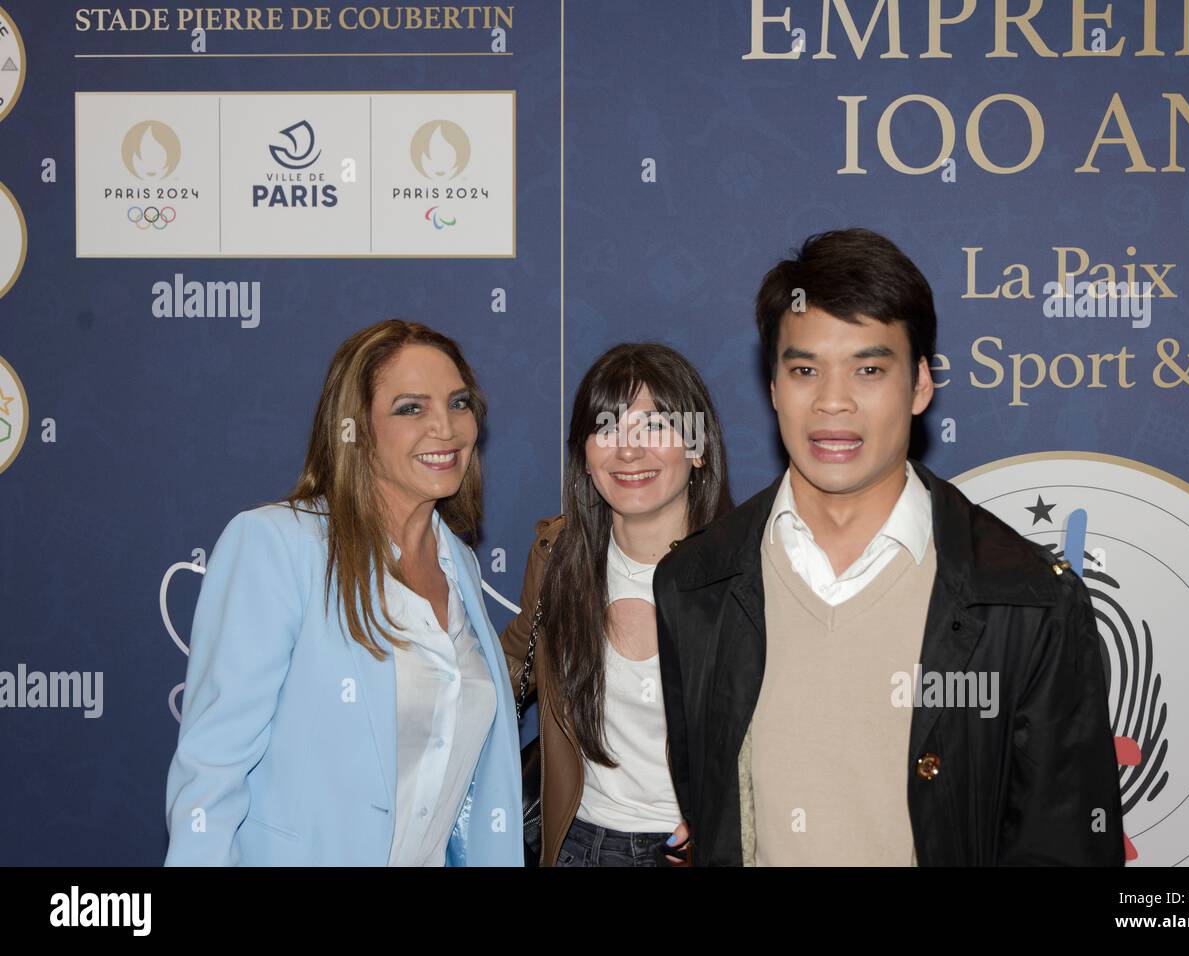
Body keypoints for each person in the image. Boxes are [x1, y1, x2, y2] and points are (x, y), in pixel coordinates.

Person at [653, 228, 1125, 866]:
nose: (833, 401)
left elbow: (1066, 847)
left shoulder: (1028, 598)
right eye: (804, 370)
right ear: (772, 389)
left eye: (870, 369)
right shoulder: (695, 583)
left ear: (922, 385)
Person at [164, 319, 522, 866]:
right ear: (354, 428)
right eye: (410, 408)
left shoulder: (461, 568)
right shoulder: (279, 546)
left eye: (458, 402)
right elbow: (212, 772)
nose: (445, 428)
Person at [499, 343, 733, 866]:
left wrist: (728, 819)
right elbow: (507, 669)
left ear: (698, 448)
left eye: (653, 427)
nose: (628, 451)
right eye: (607, 428)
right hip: (576, 846)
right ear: (584, 454)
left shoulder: (745, 571)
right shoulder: (557, 556)